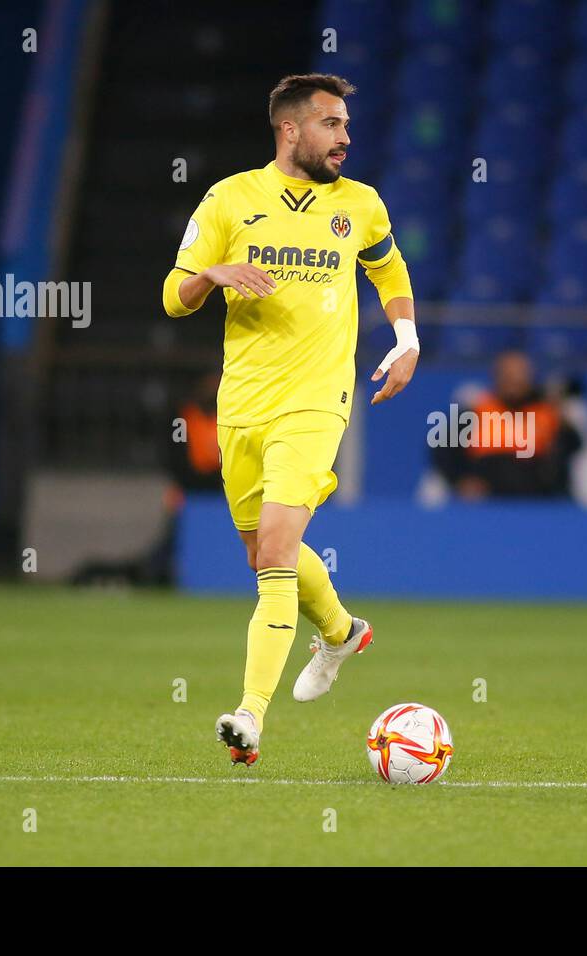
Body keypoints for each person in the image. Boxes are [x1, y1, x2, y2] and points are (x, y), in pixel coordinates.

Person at [161, 74, 418, 766]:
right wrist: (212, 275)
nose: (346, 137)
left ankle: (249, 716)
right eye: (332, 124)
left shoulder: (360, 205)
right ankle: (340, 632)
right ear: (290, 129)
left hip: (316, 399)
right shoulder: (229, 199)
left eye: (345, 125)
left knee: (275, 548)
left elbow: (388, 272)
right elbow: (173, 297)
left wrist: (407, 338)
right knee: (259, 552)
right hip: (241, 406)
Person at [433, 350, 583, 499]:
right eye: (509, 376)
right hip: (488, 500)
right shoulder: (477, 411)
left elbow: (574, 445)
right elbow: (442, 450)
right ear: (497, 377)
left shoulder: (547, 413)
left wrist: (561, 418)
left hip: (537, 499)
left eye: (521, 375)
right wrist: (460, 480)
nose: (515, 382)